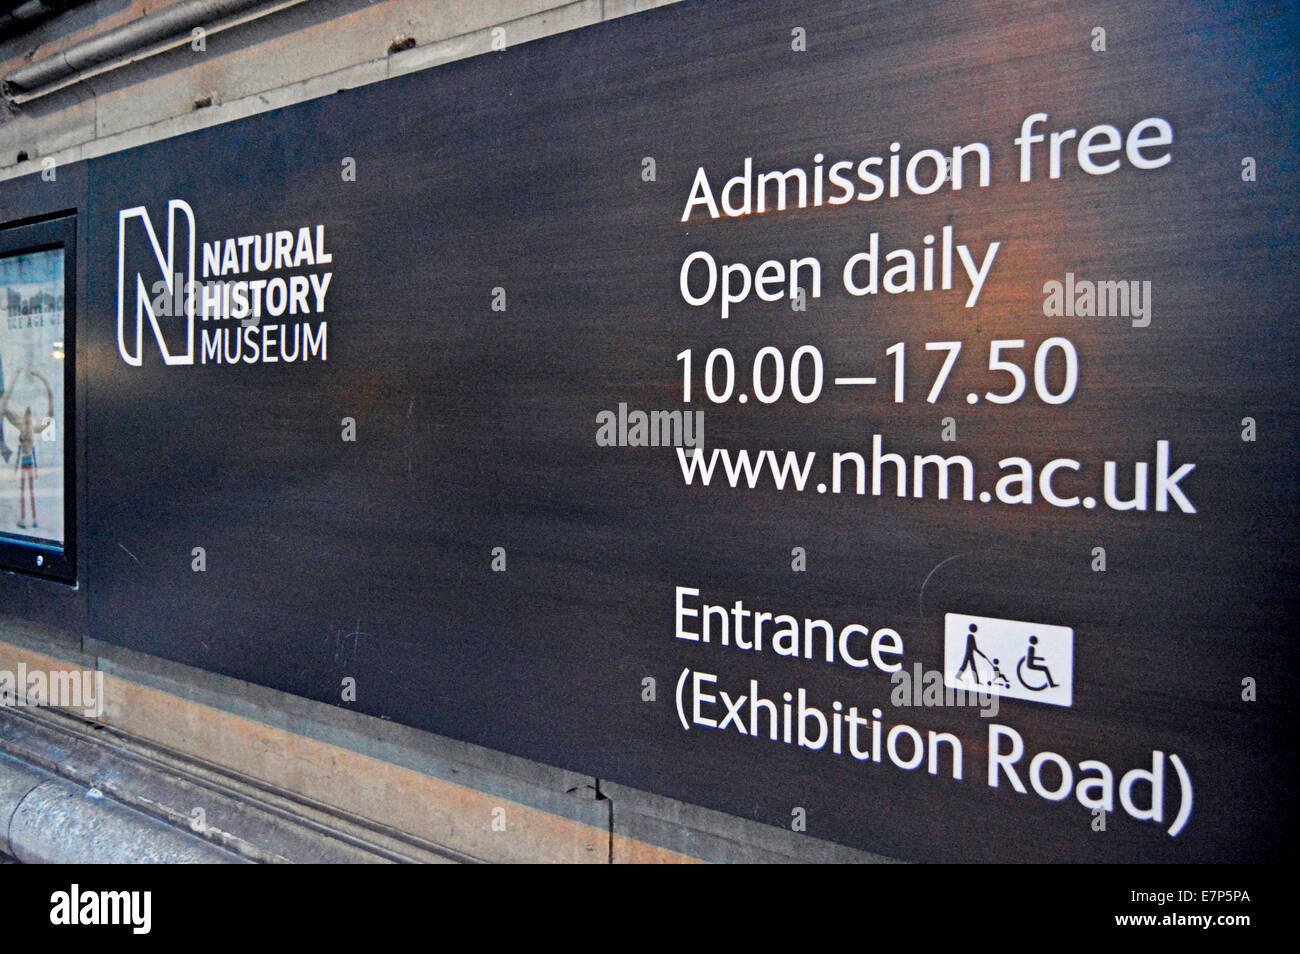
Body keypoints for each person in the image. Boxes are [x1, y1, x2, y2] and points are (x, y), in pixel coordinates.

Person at [0, 369, 53, 530]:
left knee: (27, 492)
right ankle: (26, 518)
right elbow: (4, 408)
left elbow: (49, 414)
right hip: (25, 463)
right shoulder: (27, 426)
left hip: (27, 463)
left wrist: (42, 379)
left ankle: (30, 518)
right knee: (25, 492)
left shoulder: (30, 427)